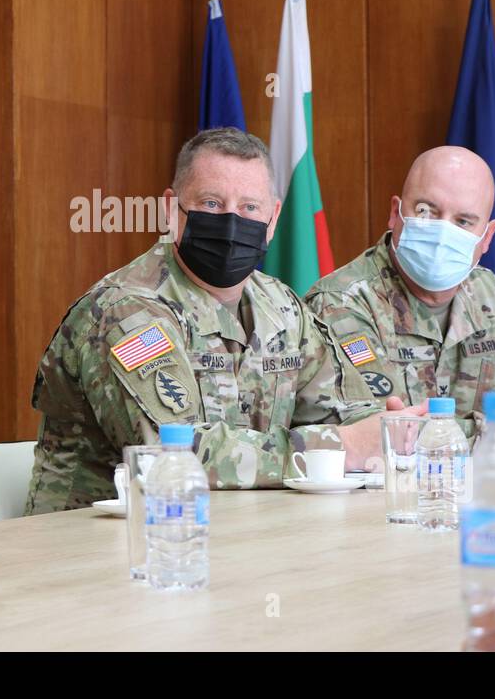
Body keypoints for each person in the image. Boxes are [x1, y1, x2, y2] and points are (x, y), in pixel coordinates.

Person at [25, 128, 418, 515]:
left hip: (233, 533)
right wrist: (339, 447)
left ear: (274, 217)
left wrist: (379, 430)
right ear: (169, 209)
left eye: (250, 207)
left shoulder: (281, 305)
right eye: (211, 203)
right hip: (99, 544)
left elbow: (335, 411)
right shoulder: (126, 310)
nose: (232, 223)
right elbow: (175, 453)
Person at [306, 146, 495, 435]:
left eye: (463, 221)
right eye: (425, 210)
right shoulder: (340, 304)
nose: (442, 231)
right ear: (395, 213)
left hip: (494, 478)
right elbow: (377, 436)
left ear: (487, 238)